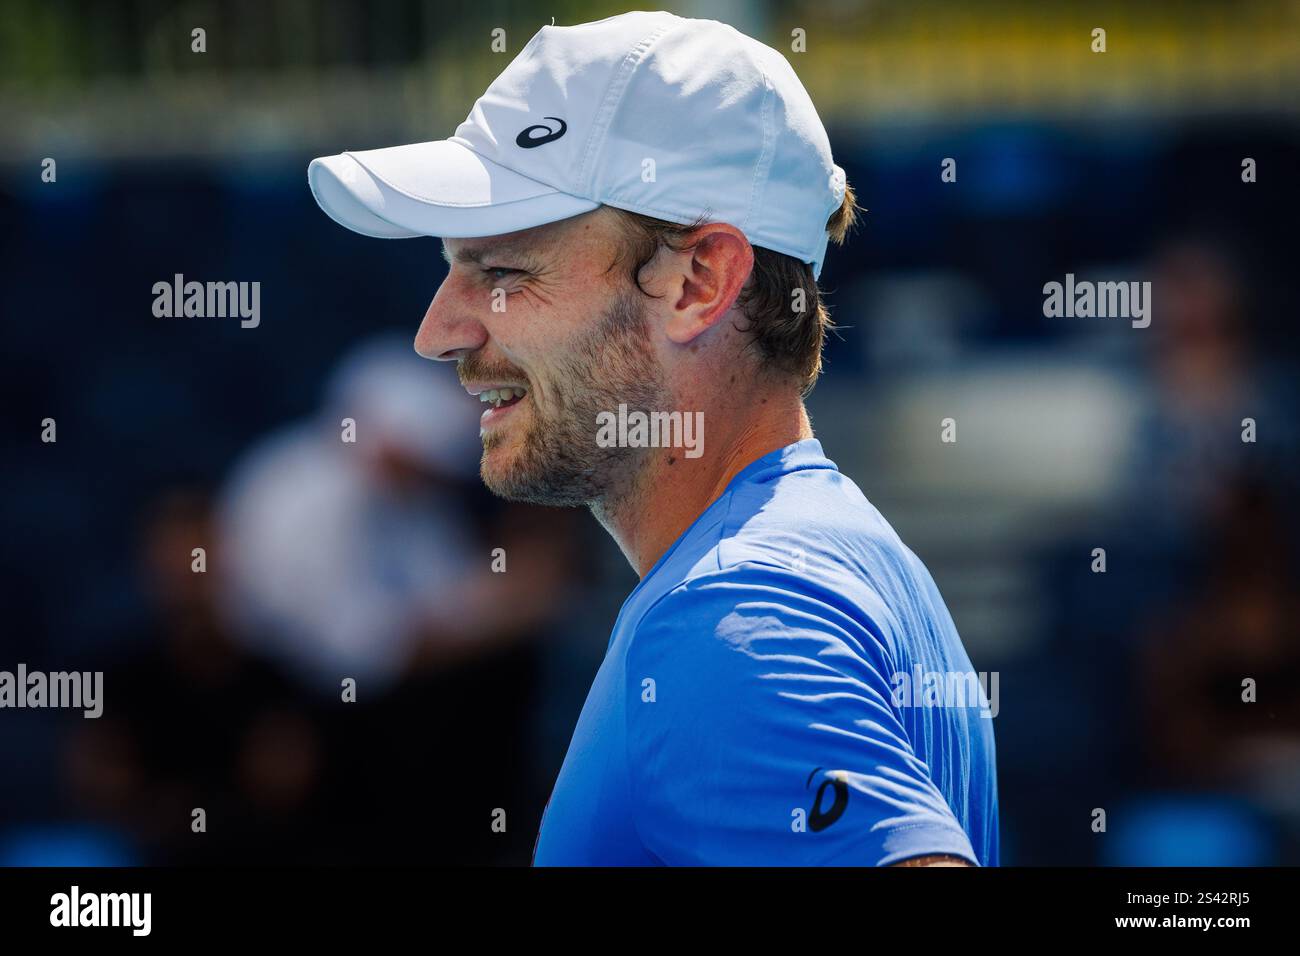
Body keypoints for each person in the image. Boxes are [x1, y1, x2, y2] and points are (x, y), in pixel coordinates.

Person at [308, 11, 997, 866]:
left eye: (501, 272)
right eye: (450, 269)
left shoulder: (735, 619)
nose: (439, 331)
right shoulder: (825, 563)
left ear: (698, 282)